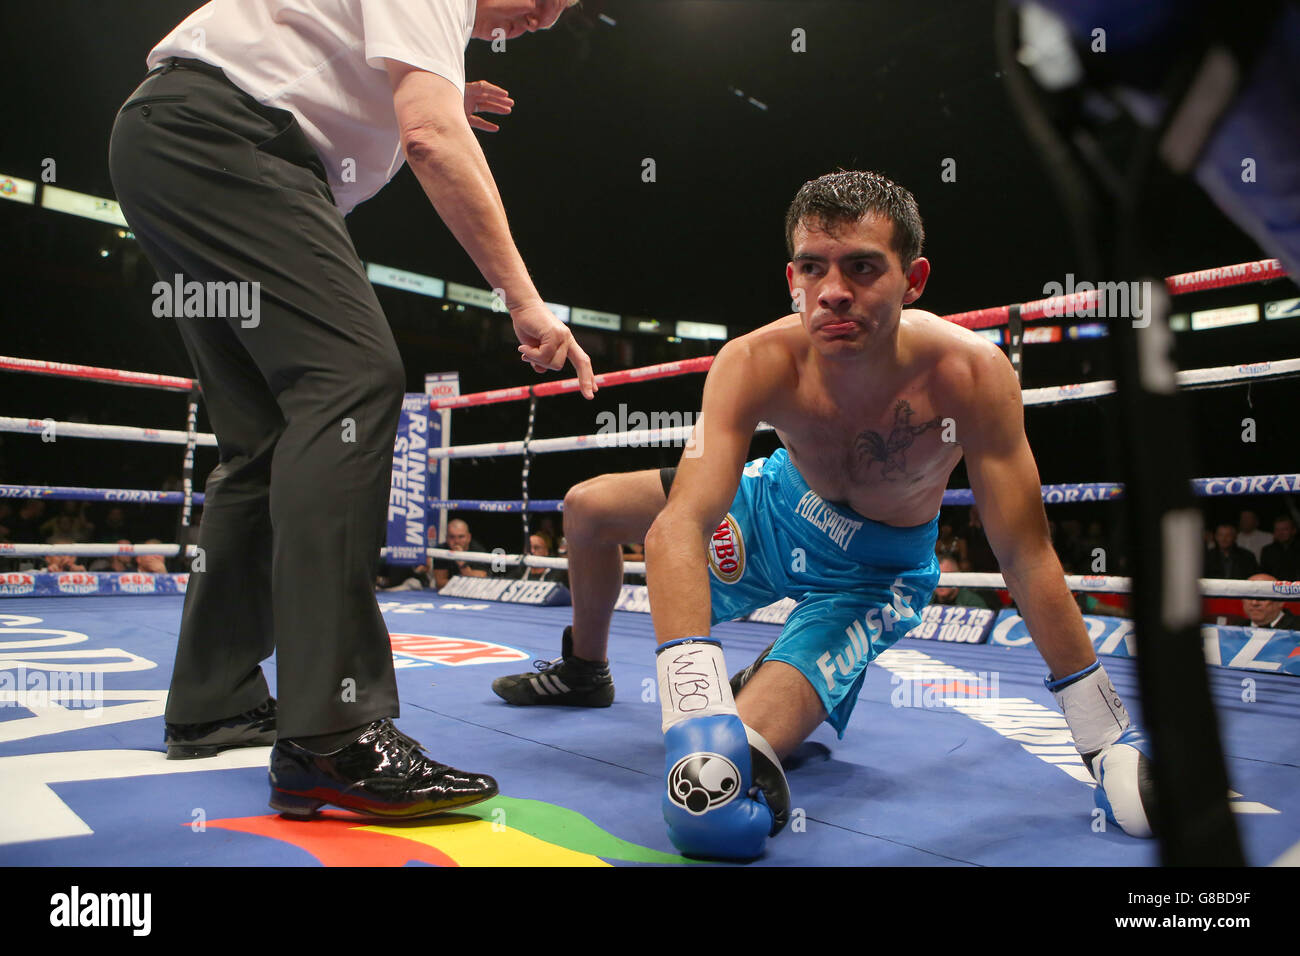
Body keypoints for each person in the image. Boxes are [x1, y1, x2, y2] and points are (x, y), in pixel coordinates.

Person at [493, 171, 1155, 857]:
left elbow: (1023, 551)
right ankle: (586, 670)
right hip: (775, 505)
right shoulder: (753, 361)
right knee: (586, 506)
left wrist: (1103, 736)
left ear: (914, 278)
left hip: (871, 575)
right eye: (814, 268)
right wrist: (693, 713)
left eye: (863, 267)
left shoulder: (969, 375)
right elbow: (681, 525)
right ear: (792, 277)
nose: (834, 291)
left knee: (722, 784)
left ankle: (769, 697)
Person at [108, 0, 595, 820]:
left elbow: (335, 72)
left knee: (265, 438)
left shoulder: (420, 30)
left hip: (169, 143)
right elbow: (431, 138)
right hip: (225, 141)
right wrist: (525, 301)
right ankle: (333, 734)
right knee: (353, 380)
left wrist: (414, 84)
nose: (548, 17)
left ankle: (215, 697)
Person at [431, 519, 492, 589]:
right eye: (452, 537)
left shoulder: (478, 552)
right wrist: (465, 583)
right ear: (446, 538)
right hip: (448, 594)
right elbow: (440, 583)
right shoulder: (441, 552)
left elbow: (477, 583)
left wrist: (461, 563)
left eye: (461, 537)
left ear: (469, 537)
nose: (456, 541)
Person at [1261, 515, 1300, 582]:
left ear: (1294, 531)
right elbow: (1264, 575)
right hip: (1274, 589)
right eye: (1277, 530)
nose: (1280, 533)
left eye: (1285, 529)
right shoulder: (1267, 550)